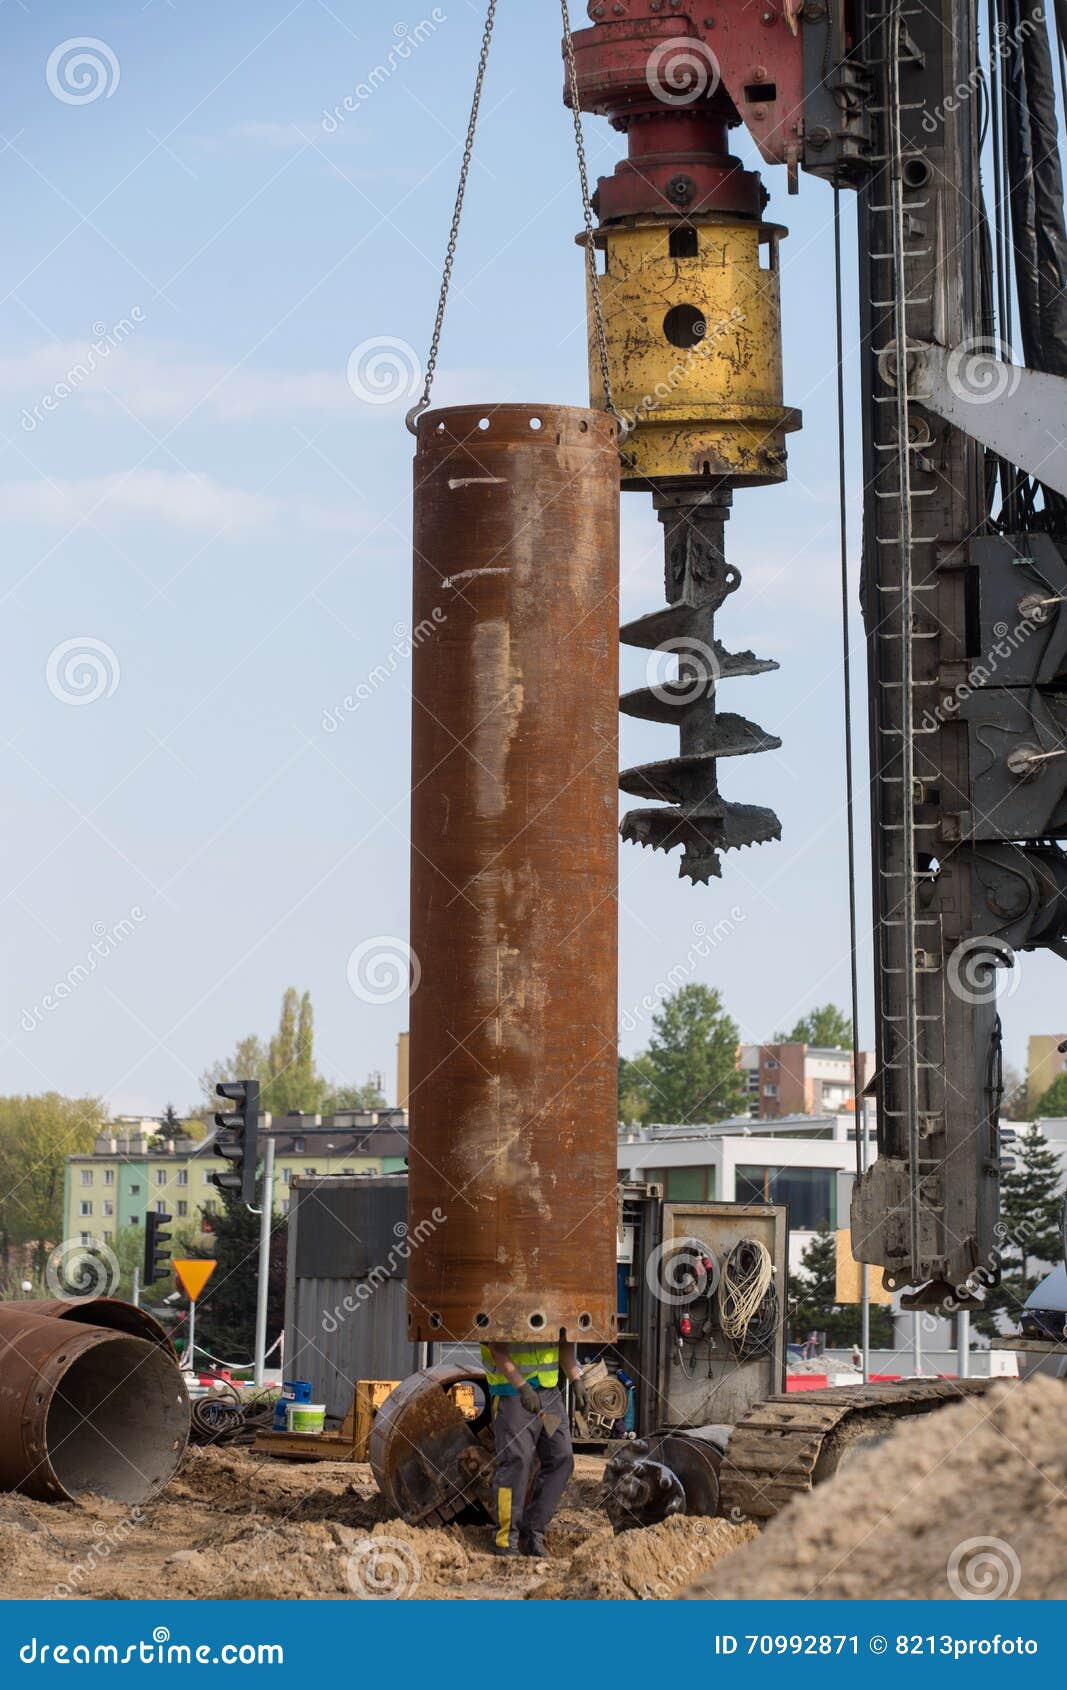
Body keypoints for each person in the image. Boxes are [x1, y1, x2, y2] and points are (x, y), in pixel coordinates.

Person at [480, 1335, 588, 1557]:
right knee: (516, 1460)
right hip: (513, 1396)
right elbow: (496, 1348)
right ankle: (505, 1539)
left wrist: (576, 1377)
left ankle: (532, 1534)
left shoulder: (555, 1302)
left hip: (547, 1398)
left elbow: (564, 1340)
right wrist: (521, 1386)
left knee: (561, 1457)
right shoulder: (503, 1302)